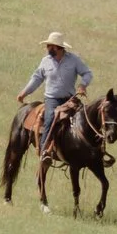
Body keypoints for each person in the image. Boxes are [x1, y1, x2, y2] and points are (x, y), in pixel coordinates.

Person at [16, 31, 94, 164]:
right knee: (50, 117)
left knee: (86, 118)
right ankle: (45, 150)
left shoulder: (73, 60)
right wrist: (25, 92)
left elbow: (87, 73)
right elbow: (37, 78)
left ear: (59, 48)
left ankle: (94, 150)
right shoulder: (45, 61)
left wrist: (83, 85)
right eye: (48, 46)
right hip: (52, 99)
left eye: (50, 46)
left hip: (70, 98)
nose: (48, 49)